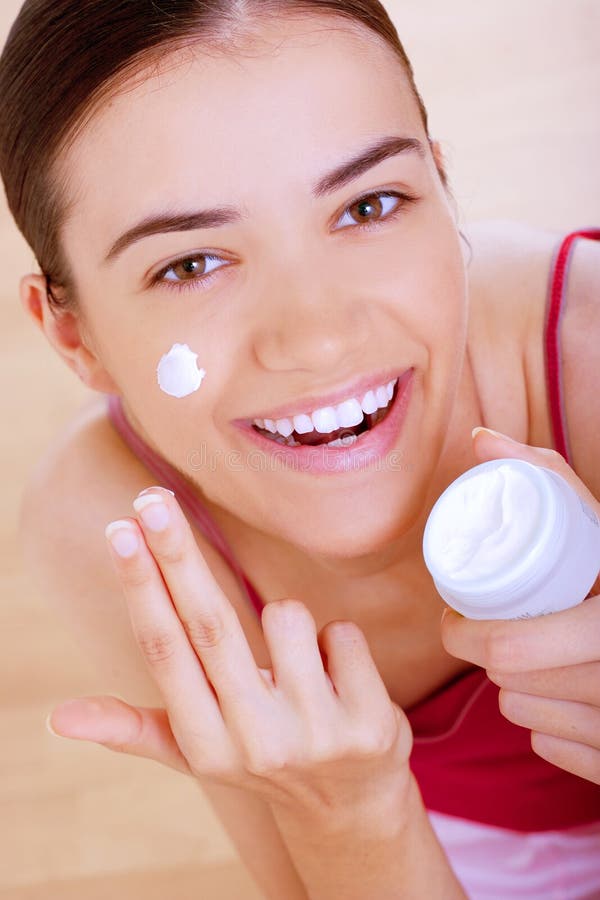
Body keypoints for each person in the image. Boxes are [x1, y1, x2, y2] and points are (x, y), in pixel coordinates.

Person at [2, 1, 599, 897]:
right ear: (73, 333)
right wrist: (353, 818)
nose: (318, 339)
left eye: (369, 204)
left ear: (443, 187)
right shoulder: (120, 527)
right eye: (190, 264)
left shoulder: (587, 348)